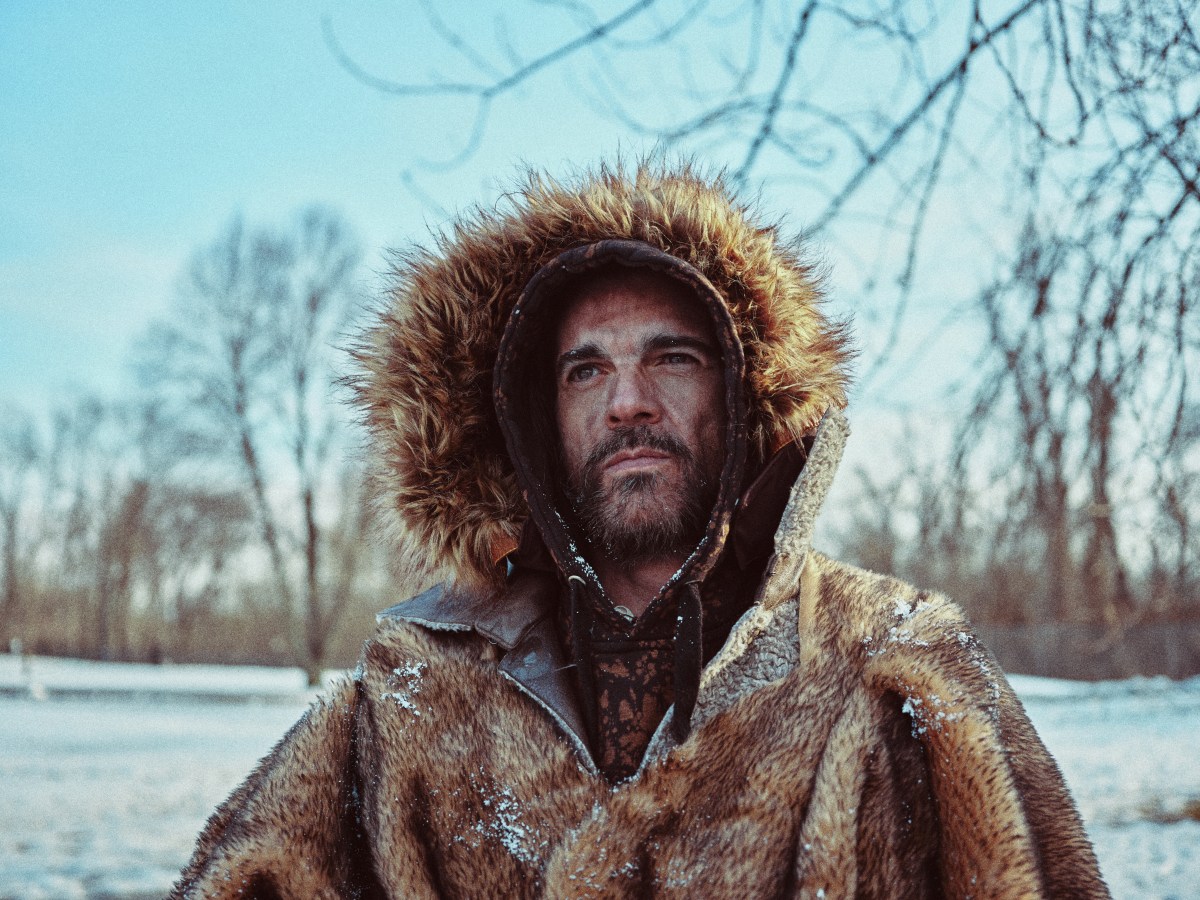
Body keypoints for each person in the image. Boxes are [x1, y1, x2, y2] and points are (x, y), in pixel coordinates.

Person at [173, 161, 1108, 898]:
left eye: (673, 357)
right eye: (586, 371)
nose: (628, 401)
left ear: (741, 396)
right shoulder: (410, 693)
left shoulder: (894, 665)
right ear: (537, 421)